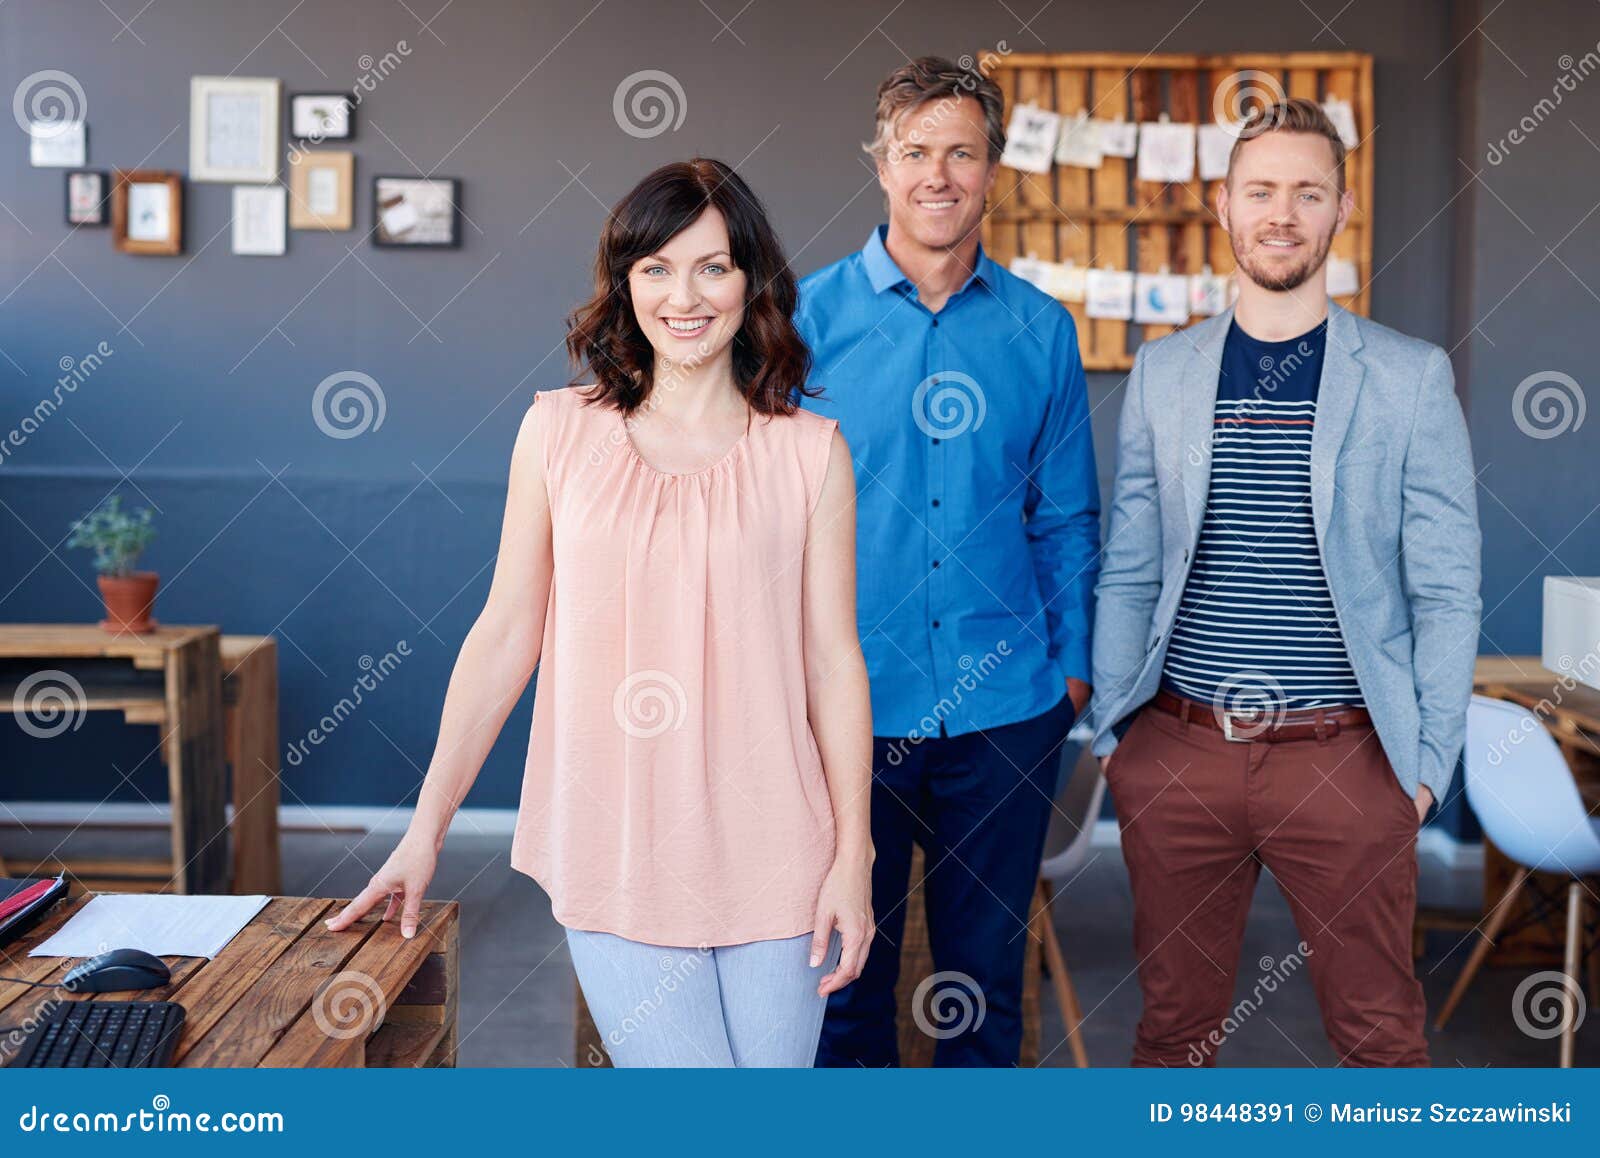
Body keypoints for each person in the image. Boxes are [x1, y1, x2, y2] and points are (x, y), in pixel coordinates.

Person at [328, 158, 876, 1068]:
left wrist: (852, 856)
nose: (684, 295)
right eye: (656, 267)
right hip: (618, 844)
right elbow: (506, 634)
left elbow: (833, 664)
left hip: (784, 850)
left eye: (712, 266)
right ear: (626, 285)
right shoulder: (556, 431)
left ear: (752, 281)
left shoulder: (812, 453)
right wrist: (424, 832)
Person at [1090, 98, 1482, 1067]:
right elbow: (1131, 565)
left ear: (1339, 210)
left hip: (1345, 757)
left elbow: (1445, 587)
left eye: (1306, 192)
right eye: (1260, 190)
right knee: (1172, 1036)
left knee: (1379, 1039)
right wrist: (1113, 732)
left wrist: (1426, 767)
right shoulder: (1165, 373)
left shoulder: (1408, 377)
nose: (1280, 213)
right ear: (1223, 203)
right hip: (1179, 751)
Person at [795, 56, 1100, 1066]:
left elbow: (1065, 518)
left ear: (993, 170)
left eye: (960, 153)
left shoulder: (1039, 331)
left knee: (981, 990)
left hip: (1005, 713)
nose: (938, 174)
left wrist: (1070, 674)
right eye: (915, 151)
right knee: (844, 987)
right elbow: (761, 521)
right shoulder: (798, 324)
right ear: (881, 165)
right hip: (845, 714)